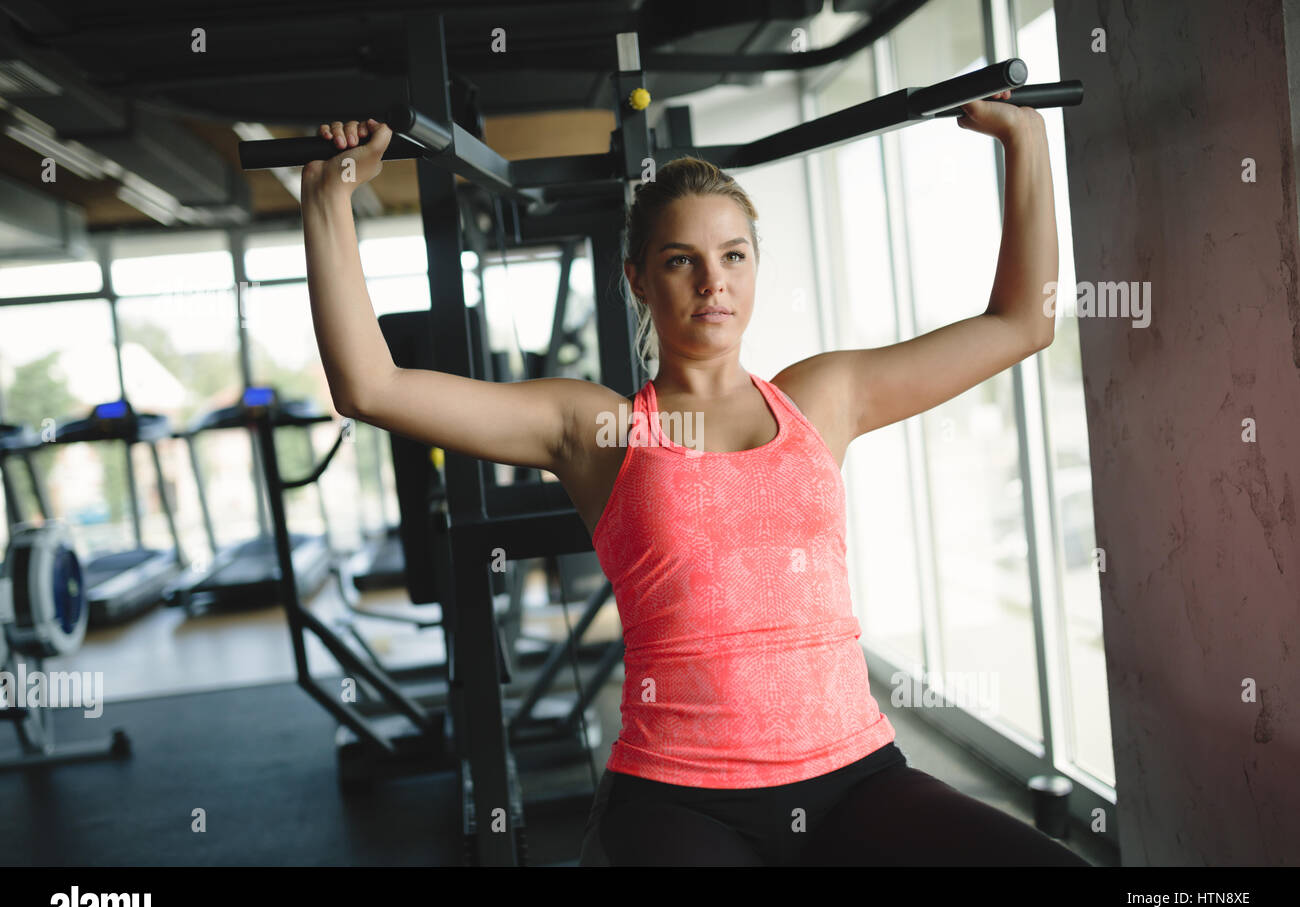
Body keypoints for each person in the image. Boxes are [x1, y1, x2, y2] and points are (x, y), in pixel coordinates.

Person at [301, 92, 1089, 866]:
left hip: (856, 778)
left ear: (753, 267)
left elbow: (1023, 321)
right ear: (639, 278)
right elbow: (372, 387)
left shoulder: (825, 398)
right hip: (680, 798)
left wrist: (1025, 140)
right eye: (683, 261)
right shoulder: (597, 427)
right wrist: (329, 200)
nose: (714, 282)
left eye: (733, 256)